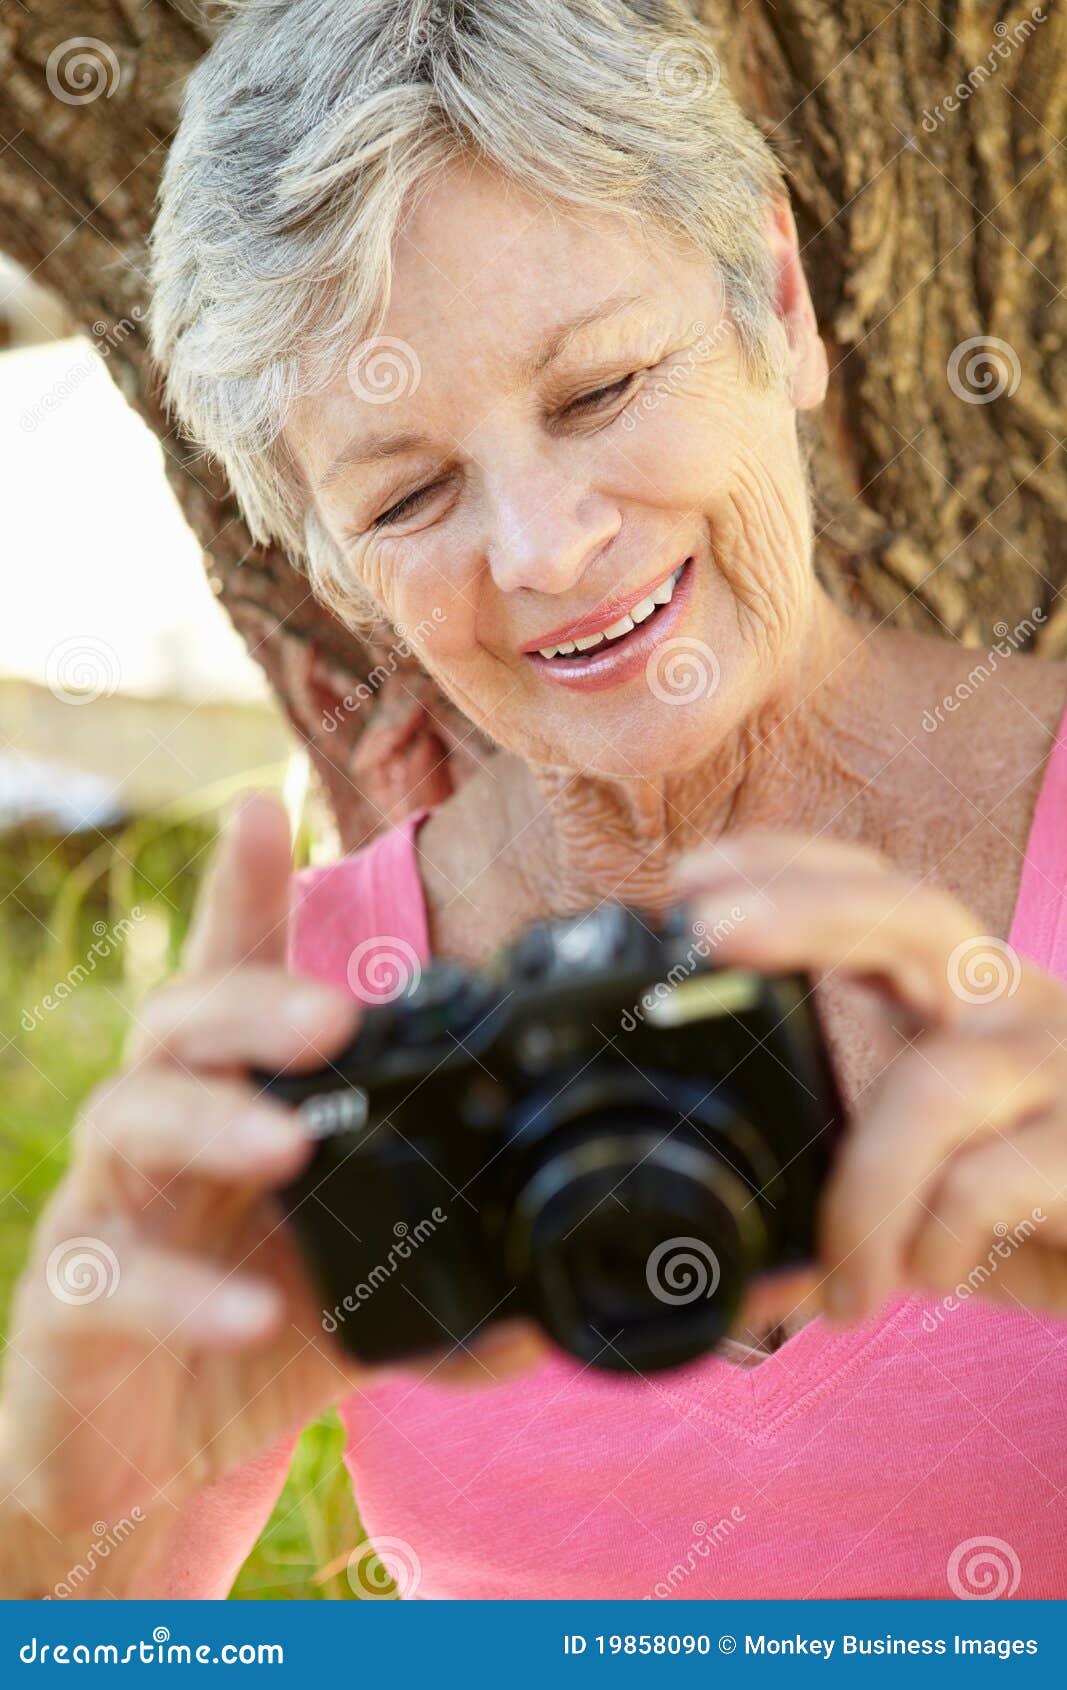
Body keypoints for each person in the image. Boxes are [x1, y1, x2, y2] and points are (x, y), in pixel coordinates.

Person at [3, 0, 1066, 1600]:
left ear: (776, 303)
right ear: (326, 559)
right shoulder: (306, 1027)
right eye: (411, 491)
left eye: (602, 388)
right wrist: (83, 1533)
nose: (546, 546)